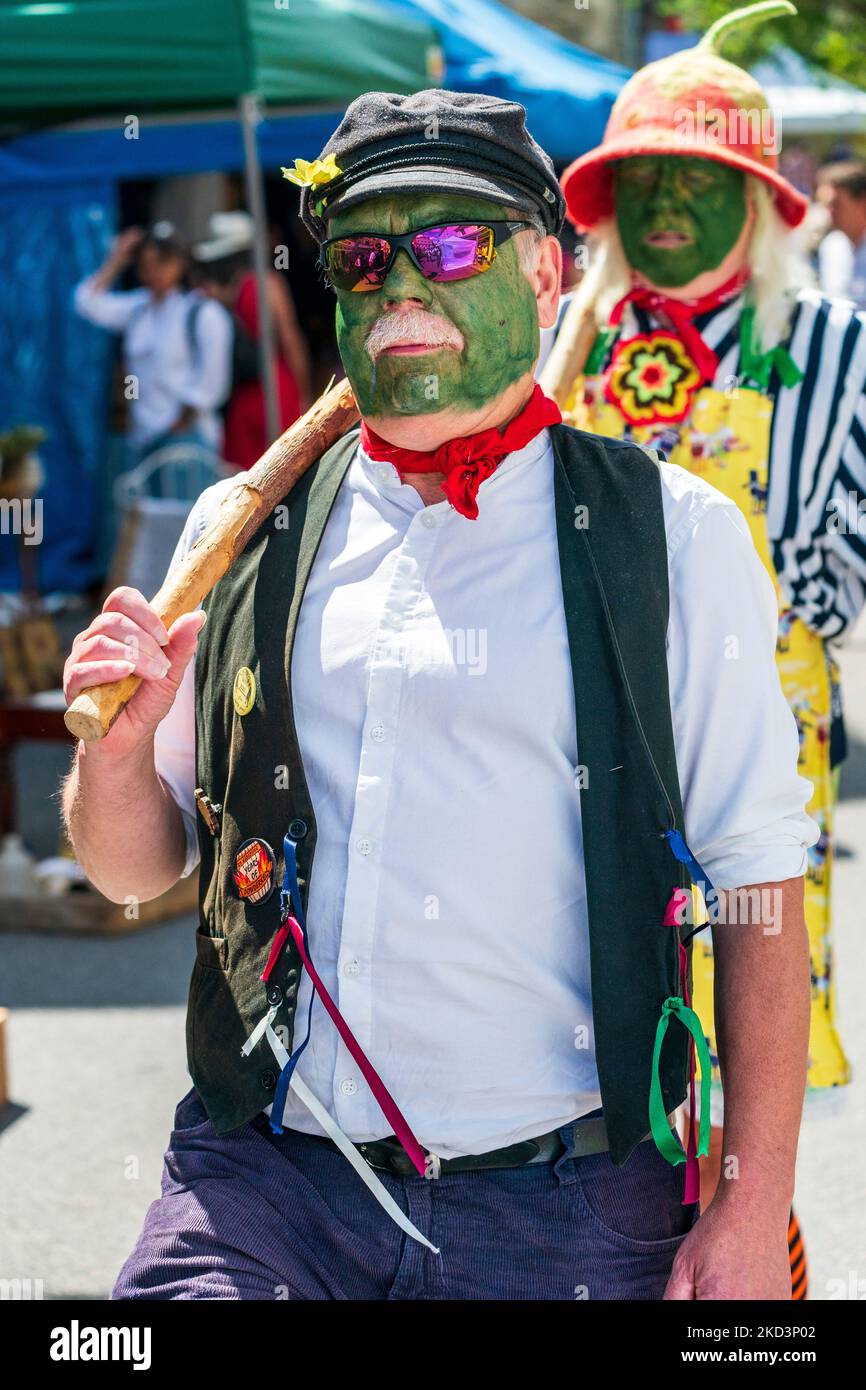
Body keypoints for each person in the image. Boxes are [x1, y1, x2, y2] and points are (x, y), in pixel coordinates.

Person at [63, 88, 815, 1302]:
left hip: (567, 1197)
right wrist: (114, 754)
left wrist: (754, 1195)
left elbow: (758, 879)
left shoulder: (671, 538)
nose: (402, 281)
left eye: (451, 244)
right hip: (265, 1178)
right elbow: (134, 870)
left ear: (544, 273)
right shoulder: (237, 532)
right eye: (364, 253)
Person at [547, 2, 866, 1300]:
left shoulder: (834, 354)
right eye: (644, 181)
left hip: (756, 791)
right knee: (592, 1069)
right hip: (581, 769)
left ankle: (751, 1288)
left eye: (698, 178)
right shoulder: (564, 348)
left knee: (743, 1088)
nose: (668, 206)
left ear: (757, 200)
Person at [74, 223, 233, 467]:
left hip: (186, 439)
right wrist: (116, 260)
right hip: (142, 439)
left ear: (181, 263)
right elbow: (87, 302)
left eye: (163, 261)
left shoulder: (201, 311)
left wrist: (180, 422)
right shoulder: (138, 309)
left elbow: (212, 379)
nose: (155, 271)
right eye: (147, 264)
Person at [194, 212, 312, 470]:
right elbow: (290, 338)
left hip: (240, 395)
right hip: (275, 388)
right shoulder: (269, 283)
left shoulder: (214, 293)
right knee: (285, 472)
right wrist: (305, 394)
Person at [815, 161, 866, 309]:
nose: (829, 212)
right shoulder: (831, 246)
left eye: (836, 204)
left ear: (863, 202)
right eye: (826, 205)